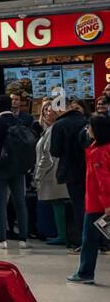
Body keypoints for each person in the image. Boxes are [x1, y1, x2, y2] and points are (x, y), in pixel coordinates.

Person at [0, 93, 31, 249]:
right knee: (20, 202)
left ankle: (2, 239)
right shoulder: (19, 121)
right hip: (17, 168)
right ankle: (23, 238)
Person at [68, 114, 110, 284]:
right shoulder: (102, 148)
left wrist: (107, 204)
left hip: (97, 204)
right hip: (99, 203)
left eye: (89, 127)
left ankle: (85, 273)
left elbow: (103, 181)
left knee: (89, 239)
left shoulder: (98, 153)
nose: (87, 130)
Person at [51, 99, 90, 253]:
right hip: (89, 168)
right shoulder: (86, 120)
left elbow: (55, 151)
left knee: (79, 206)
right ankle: (102, 240)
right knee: (94, 207)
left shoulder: (59, 125)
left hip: (71, 171)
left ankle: (83, 241)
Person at [34, 101, 70, 247]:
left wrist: (39, 173)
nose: (46, 113)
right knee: (57, 203)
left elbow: (47, 155)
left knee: (58, 202)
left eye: (49, 111)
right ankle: (61, 233)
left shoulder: (54, 129)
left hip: (52, 172)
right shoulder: (49, 129)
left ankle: (62, 235)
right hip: (52, 171)